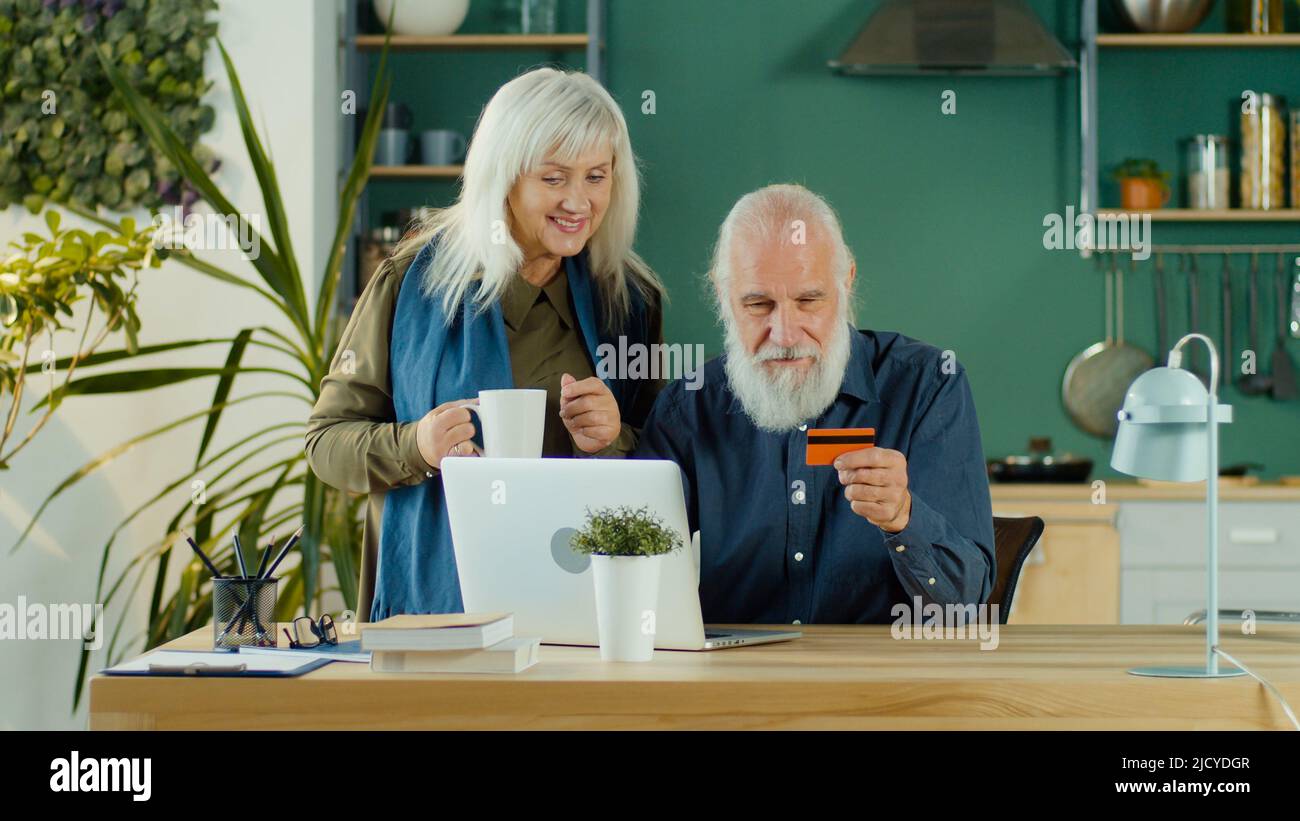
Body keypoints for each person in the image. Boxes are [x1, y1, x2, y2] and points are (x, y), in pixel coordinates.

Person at [306, 68, 665, 621]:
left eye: (596, 176)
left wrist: (615, 439)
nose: (579, 201)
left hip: (585, 609)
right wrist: (417, 447)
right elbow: (327, 444)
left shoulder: (630, 300)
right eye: (554, 178)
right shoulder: (411, 282)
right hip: (438, 613)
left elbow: (671, 461)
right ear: (504, 177)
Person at [634, 184, 994, 624]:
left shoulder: (929, 386)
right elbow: (628, 561)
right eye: (758, 304)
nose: (785, 334)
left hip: (884, 684)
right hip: (737, 681)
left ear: (847, 283)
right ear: (722, 296)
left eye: (808, 301)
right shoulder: (688, 405)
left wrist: (903, 516)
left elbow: (966, 603)